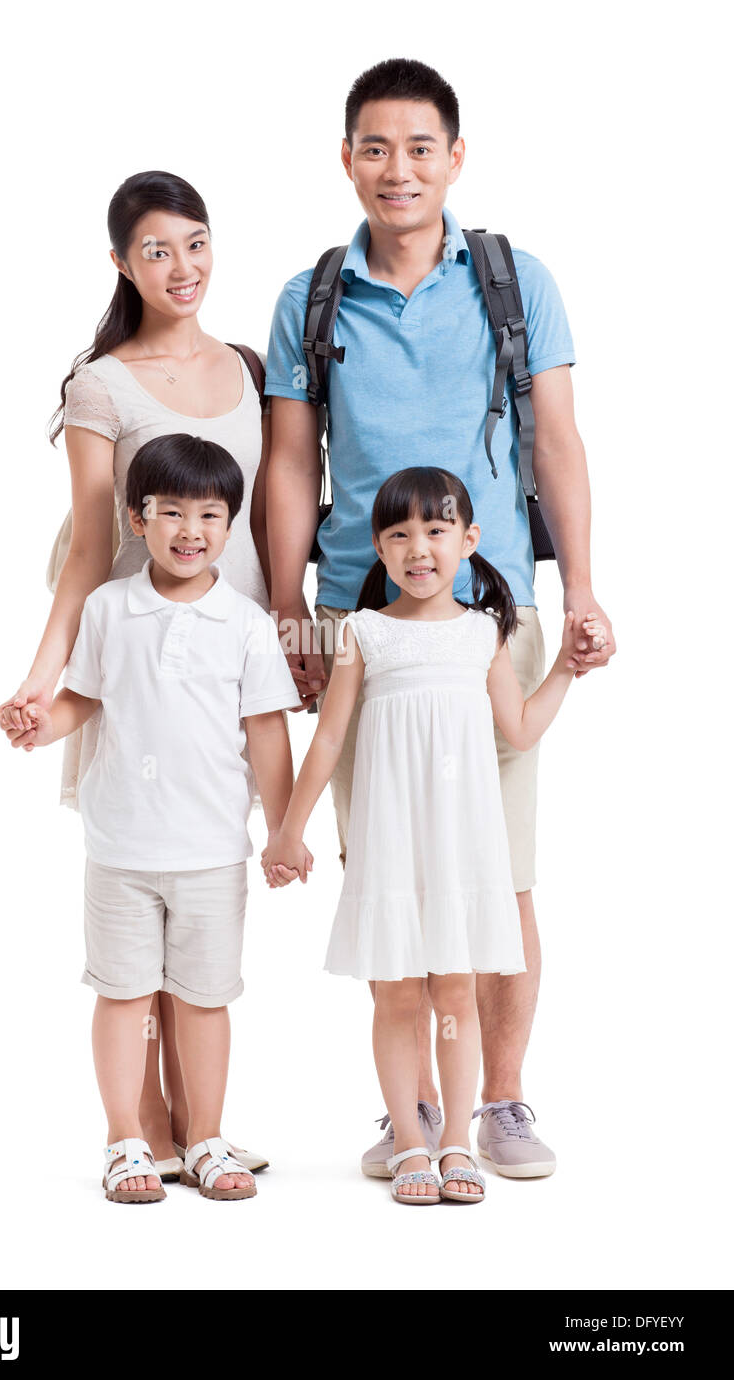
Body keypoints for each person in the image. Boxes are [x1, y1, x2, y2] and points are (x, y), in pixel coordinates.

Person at [264, 57, 616, 1178]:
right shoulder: (308, 297)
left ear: (454, 158)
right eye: (375, 147)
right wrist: (290, 610)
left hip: (491, 614)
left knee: (496, 875)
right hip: (356, 622)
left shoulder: (513, 281)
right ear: (345, 159)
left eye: (420, 147)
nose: (397, 168)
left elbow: (555, 441)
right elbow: (285, 462)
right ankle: (409, 1111)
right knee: (388, 874)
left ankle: (498, 1103)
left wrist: (585, 586)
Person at [0, 170, 283, 1177]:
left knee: (203, 876)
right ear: (121, 261)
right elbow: (86, 545)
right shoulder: (99, 381)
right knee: (139, 887)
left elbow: (280, 506)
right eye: (156, 249)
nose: (181, 267)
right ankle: (146, 1131)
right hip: (132, 654)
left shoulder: (250, 367)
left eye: (195, 243)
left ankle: (188, 1127)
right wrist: (44, 677)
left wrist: (290, 624)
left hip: (230, 653)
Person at [263, 467, 597, 1202]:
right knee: (396, 995)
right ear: (377, 552)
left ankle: (456, 1142)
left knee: (455, 991)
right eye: (399, 535)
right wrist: (288, 831)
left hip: (461, 845)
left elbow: (521, 728)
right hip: (391, 843)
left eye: (437, 530)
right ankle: (409, 1140)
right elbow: (326, 743)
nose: (420, 548)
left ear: (471, 541)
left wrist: (567, 670)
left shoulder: (484, 634)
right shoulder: (364, 633)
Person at [8, 434, 304, 1201]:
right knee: (122, 994)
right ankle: (127, 1141)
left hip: (211, 849)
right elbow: (84, 697)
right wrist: (42, 724)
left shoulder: (244, 622)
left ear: (231, 527)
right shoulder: (108, 608)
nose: (189, 530)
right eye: (170, 512)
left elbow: (267, 730)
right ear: (137, 521)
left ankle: (204, 1136)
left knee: (206, 998)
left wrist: (283, 831)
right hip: (121, 847)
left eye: (209, 514)